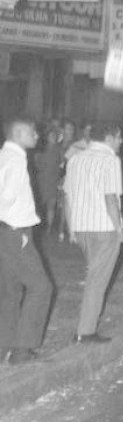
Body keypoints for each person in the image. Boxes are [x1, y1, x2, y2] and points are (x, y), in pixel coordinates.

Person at [64, 121, 123, 342]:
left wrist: (71, 227)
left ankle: (86, 326)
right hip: (104, 227)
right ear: (109, 137)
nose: (121, 141)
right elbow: (111, 197)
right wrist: (119, 227)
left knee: (94, 275)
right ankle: (86, 331)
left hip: (82, 226)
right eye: (119, 137)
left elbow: (67, 196)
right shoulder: (111, 160)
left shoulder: (75, 159)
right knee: (97, 280)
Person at [0, 117, 51, 363]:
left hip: (6, 232)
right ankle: (23, 349)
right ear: (19, 134)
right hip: (15, 231)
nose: (37, 136)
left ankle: (4, 345)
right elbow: (7, 197)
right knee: (41, 287)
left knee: (9, 291)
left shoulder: (4, 156)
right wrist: (15, 226)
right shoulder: (16, 160)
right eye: (33, 132)